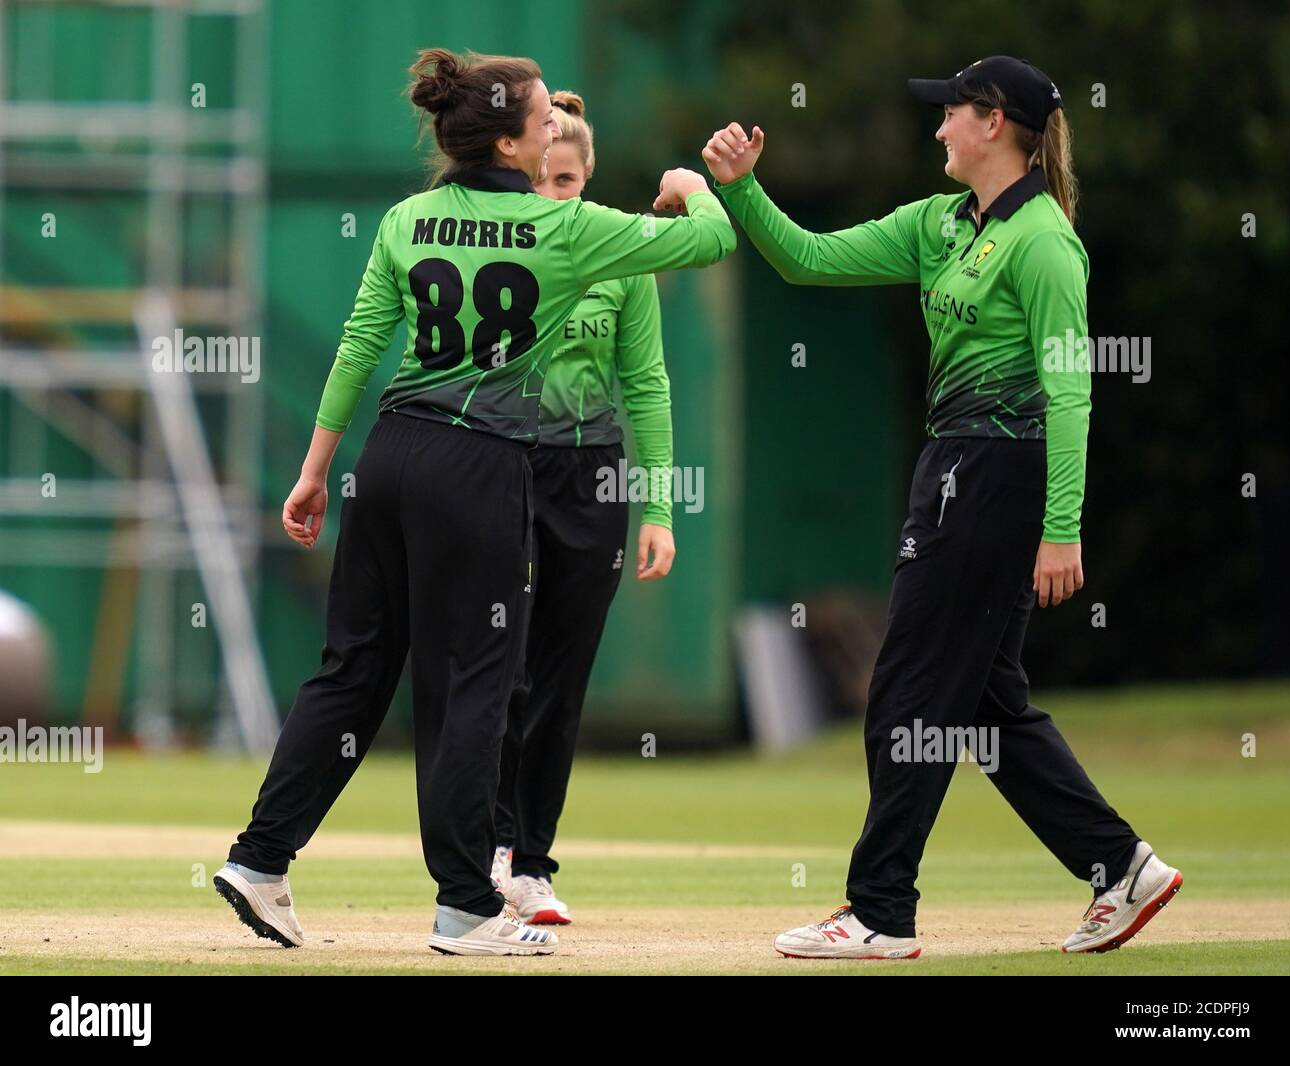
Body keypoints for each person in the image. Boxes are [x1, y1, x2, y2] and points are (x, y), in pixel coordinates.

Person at [213, 47, 734, 958]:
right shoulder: (563, 228)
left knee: (351, 669)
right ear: (506, 139)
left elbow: (359, 345)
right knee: (474, 689)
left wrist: (310, 469)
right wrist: (696, 185)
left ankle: (261, 858)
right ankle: (465, 905)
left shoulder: (407, 217)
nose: (550, 130)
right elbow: (713, 241)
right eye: (538, 121)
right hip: (479, 466)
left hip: (389, 456)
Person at [702, 56, 1181, 959]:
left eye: (949, 114)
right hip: (954, 469)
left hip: (997, 478)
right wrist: (744, 189)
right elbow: (807, 260)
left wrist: (1063, 526)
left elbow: (1071, 389)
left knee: (909, 694)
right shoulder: (938, 223)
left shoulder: (1043, 241)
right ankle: (1117, 865)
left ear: (993, 123)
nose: (937, 129)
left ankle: (881, 909)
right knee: (984, 706)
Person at [490, 91, 678, 926]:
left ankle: (532, 864)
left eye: (565, 180)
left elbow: (647, 382)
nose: (552, 195)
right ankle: (486, 847)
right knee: (501, 664)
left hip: (590, 471)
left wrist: (660, 507)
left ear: (588, 177)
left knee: (562, 678)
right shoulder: (499, 248)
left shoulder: (619, 254)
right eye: (538, 179)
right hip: (501, 461)